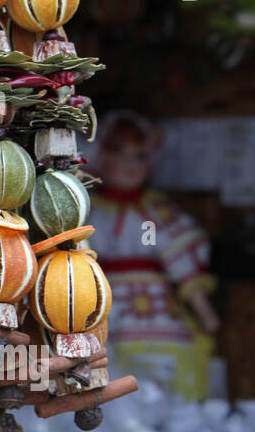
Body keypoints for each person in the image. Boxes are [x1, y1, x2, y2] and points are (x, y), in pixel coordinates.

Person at [88, 111, 219, 400]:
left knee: (162, 386)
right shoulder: (87, 211)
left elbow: (179, 259)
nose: (128, 165)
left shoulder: (156, 213)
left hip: (154, 315)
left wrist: (203, 311)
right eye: (119, 154)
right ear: (101, 156)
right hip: (102, 304)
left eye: (139, 157)